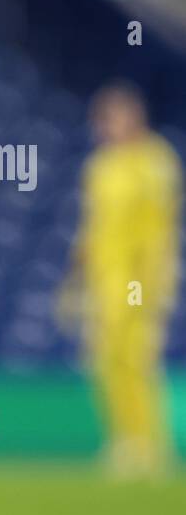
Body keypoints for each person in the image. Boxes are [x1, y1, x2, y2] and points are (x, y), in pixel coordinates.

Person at [61, 81, 181, 479]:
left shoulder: (155, 162)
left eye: (111, 119)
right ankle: (124, 440)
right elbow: (90, 231)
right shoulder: (101, 166)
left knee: (137, 361)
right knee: (104, 361)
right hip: (104, 282)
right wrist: (74, 284)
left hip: (142, 282)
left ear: (133, 117)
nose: (105, 129)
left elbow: (160, 231)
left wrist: (157, 284)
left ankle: (149, 443)